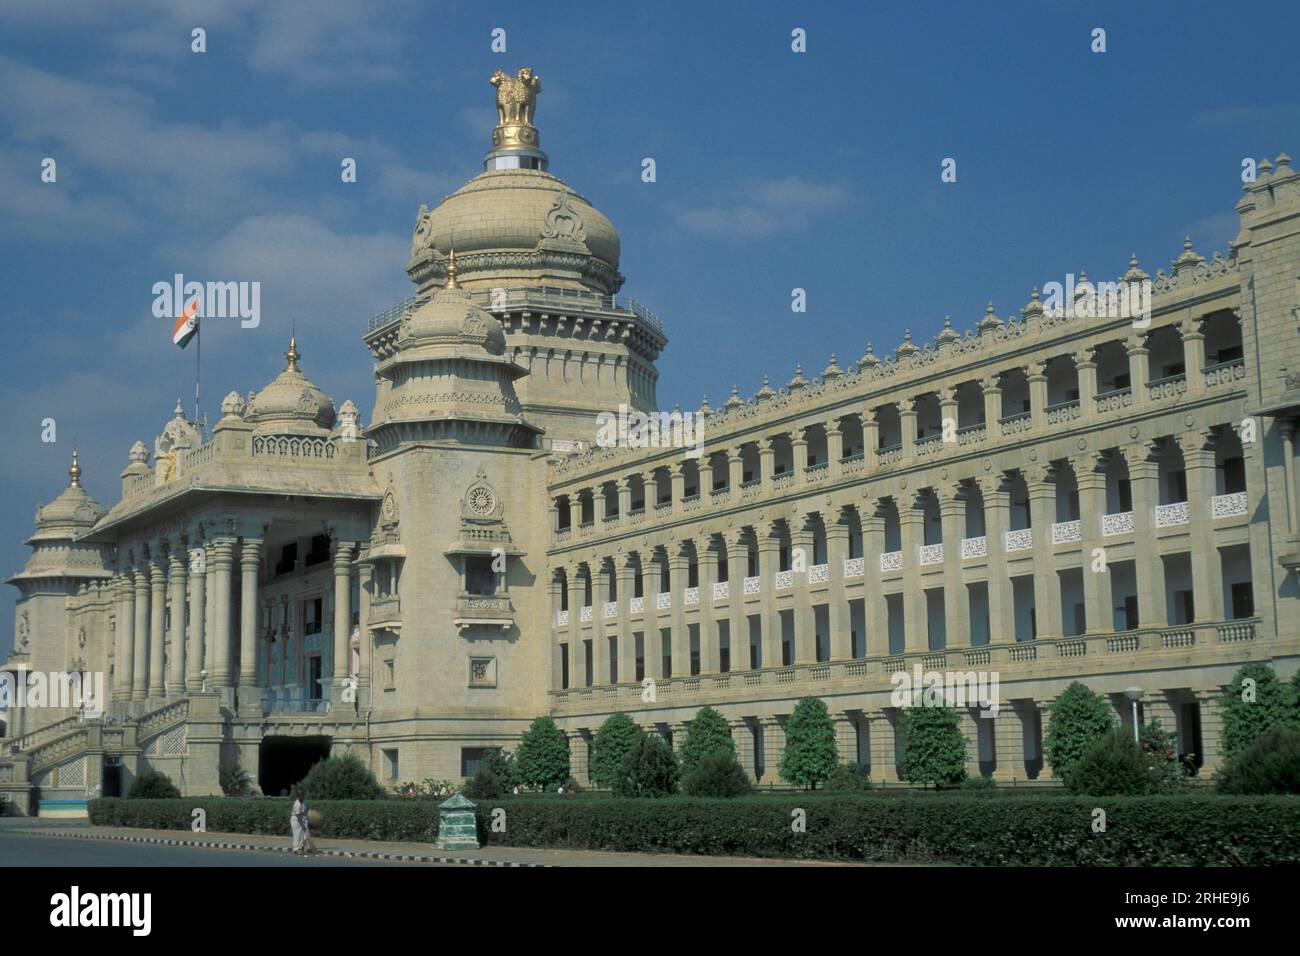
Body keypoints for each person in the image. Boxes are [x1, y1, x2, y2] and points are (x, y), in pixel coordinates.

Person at [290, 789, 309, 856]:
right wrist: (303, 826)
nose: (302, 796)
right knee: (297, 835)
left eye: (303, 795)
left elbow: (305, 811)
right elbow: (298, 816)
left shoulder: (303, 802)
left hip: (303, 819)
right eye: (301, 795)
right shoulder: (297, 804)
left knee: (305, 835)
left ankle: (301, 848)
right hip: (296, 820)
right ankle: (296, 849)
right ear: (298, 796)